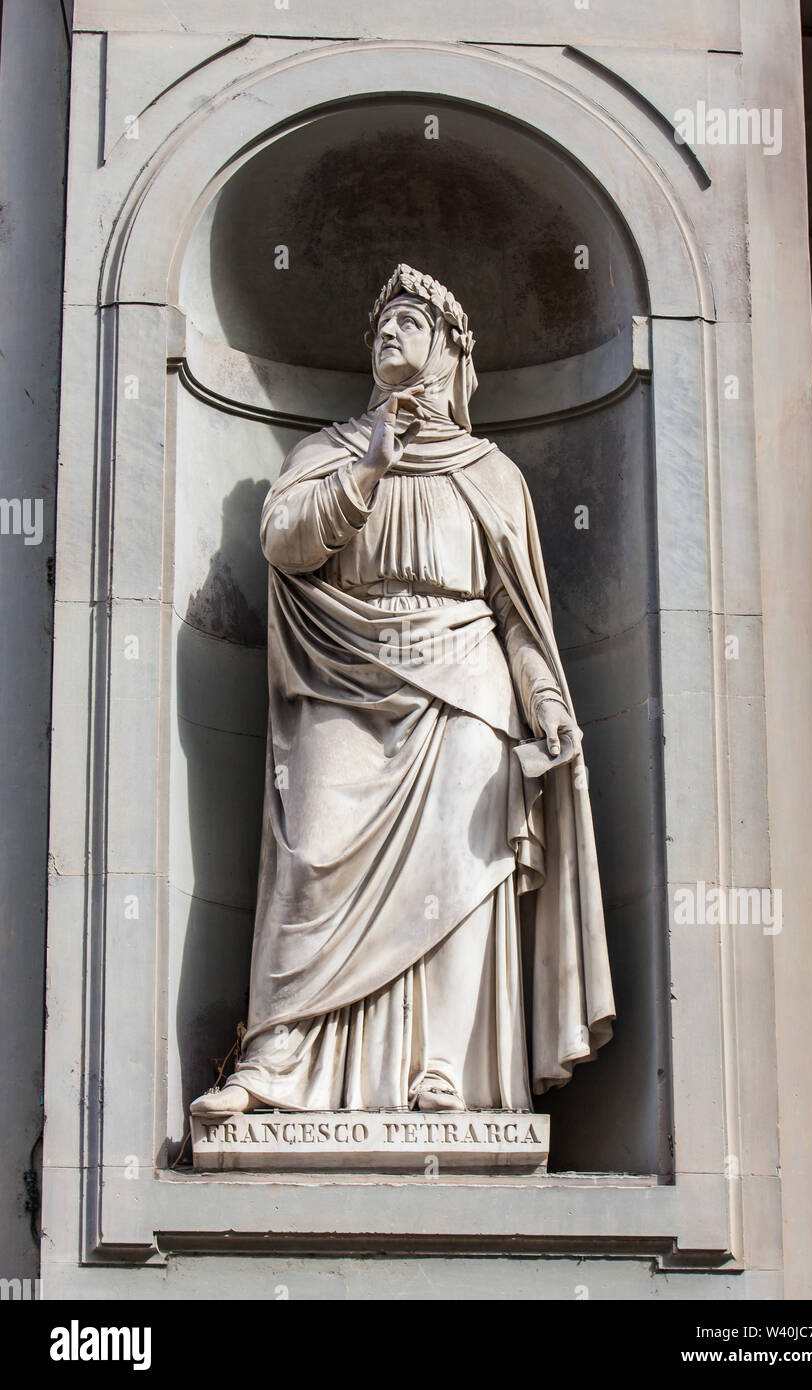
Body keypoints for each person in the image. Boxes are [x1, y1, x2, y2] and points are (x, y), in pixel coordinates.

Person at [191, 264, 614, 1118]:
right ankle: (277, 1059)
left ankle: (444, 1068)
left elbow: (519, 617)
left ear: (451, 350)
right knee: (311, 850)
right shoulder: (330, 450)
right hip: (342, 676)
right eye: (381, 321)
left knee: (464, 866)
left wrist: (550, 703)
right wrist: (371, 468)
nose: (389, 331)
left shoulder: (491, 473)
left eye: (411, 320)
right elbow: (283, 543)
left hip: (466, 680)